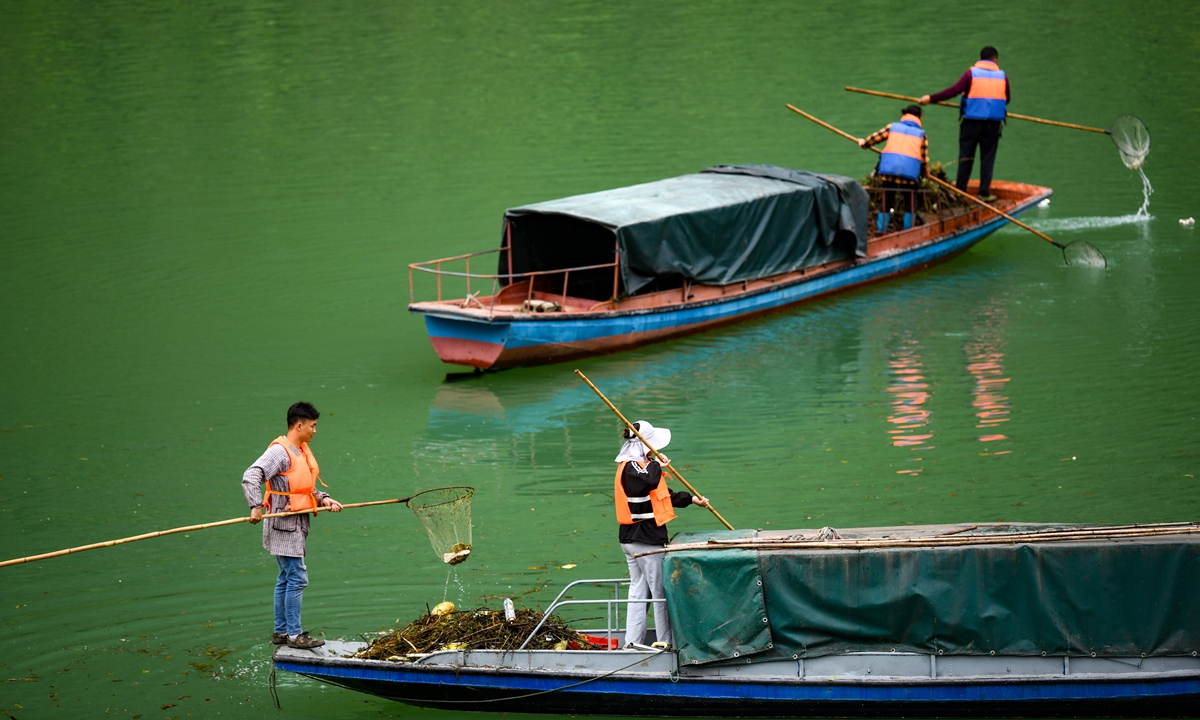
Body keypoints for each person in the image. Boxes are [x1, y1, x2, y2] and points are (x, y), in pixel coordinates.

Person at [242, 402, 343, 649]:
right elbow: (251, 475)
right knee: (297, 578)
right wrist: (255, 505)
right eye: (313, 426)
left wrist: (324, 499)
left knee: (286, 578)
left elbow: (304, 486)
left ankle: (281, 631)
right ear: (299, 425)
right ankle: (295, 635)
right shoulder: (280, 452)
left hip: (295, 524)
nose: (315, 430)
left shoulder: (301, 450)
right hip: (283, 525)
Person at [613, 421, 709, 648]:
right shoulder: (633, 468)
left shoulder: (643, 466)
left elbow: (663, 494)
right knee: (659, 592)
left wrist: (691, 499)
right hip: (644, 539)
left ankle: (632, 642)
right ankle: (666, 643)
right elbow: (648, 479)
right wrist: (658, 464)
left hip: (635, 539)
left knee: (639, 591)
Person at [920, 46, 1010, 203]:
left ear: (980, 59)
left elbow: (954, 90)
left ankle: (960, 192)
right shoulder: (1003, 77)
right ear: (995, 59)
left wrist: (931, 98)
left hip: (971, 123)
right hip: (993, 125)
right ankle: (984, 193)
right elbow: (1006, 98)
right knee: (987, 159)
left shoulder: (971, 74)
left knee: (966, 158)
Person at [858, 104, 929, 232]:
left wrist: (863, 143)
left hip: (889, 171)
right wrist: (926, 172)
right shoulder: (921, 134)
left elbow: (873, 139)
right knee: (910, 202)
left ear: (904, 115)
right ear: (919, 117)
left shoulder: (892, 127)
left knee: (887, 200)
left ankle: (882, 230)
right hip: (910, 174)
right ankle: (908, 231)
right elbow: (923, 160)